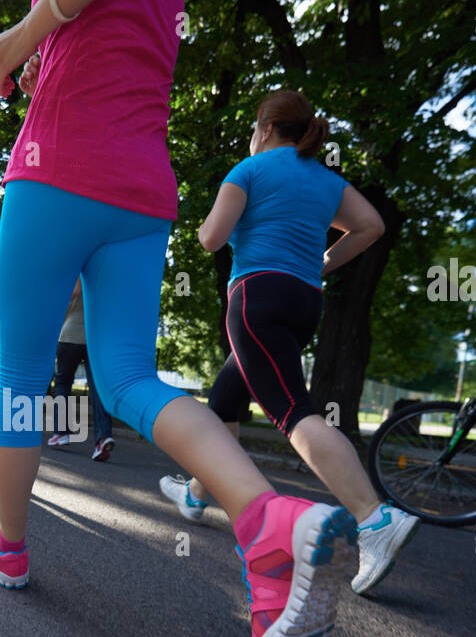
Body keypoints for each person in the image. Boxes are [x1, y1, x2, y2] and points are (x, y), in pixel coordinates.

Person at [0, 0, 372, 637]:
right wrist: (48, 55)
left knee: (23, 375)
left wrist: (19, 39)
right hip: (140, 185)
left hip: (59, 163)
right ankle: (267, 522)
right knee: (128, 377)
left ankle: (9, 545)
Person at [158, 90, 419, 595]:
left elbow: (212, 238)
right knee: (226, 396)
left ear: (264, 127)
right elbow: (371, 226)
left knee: (292, 412)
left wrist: (205, 226)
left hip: (256, 296)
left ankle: (374, 519)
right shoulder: (326, 179)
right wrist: (323, 262)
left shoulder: (249, 171)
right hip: (304, 302)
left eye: (254, 128)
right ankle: (195, 492)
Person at [47, 278, 114, 459]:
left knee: (62, 383)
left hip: (70, 335)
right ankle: (103, 438)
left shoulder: (79, 266)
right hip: (95, 339)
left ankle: (61, 432)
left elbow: (74, 291)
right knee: (97, 388)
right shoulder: (107, 276)